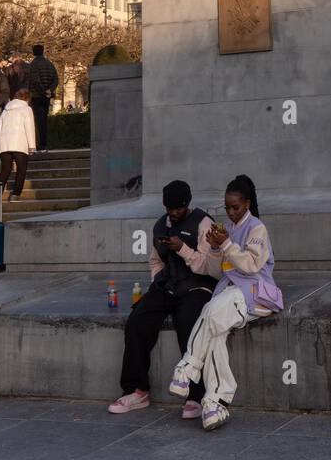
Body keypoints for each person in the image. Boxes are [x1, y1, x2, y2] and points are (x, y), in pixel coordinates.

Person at [169, 174, 283, 431]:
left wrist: (227, 244)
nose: (231, 213)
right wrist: (215, 248)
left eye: (236, 207)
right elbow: (217, 271)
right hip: (230, 295)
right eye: (227, 207)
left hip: (255, 294)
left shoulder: (257, 228)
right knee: (215, 331)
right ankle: (215, 402)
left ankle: (188, 367)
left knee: (210, 310)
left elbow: (252, 265)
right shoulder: (227, 231)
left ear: (247, 204)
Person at [109, 180, 215, 420]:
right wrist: (158, 280)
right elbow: (155, 260)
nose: (173, 213)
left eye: (178, 208)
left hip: (197, 285)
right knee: (137, 320)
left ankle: (196, 395)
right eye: (169, 208)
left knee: (189, 323)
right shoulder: (161, 225)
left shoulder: (203, 223)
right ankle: (136, 390)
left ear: (187, 205)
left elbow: (210, 266)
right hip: (168, 285)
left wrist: (182, 249)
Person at [0, 88, 35, 200]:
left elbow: (0, 128)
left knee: (5, 169)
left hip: (4, 142)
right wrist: (32, 146)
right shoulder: (27, 109)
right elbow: (29, 128)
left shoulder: (6, 109)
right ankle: (15, 194)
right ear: (27, 98)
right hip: (19, 143)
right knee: (21, 170)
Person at [27, 44, 58, 155]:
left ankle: (41, 144)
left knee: (38, 121)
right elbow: (56, 78)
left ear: (34, 52)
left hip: (37, 96)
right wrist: (50, 90)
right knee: (44, 120)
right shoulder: (49, 64)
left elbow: (35, 81)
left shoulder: (34, 64)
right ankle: (44, 143)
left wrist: (43, 91)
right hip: (47, 97)